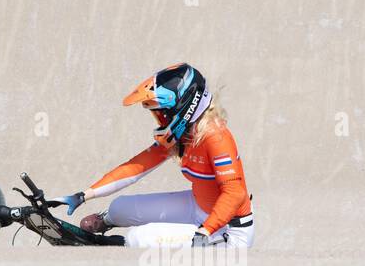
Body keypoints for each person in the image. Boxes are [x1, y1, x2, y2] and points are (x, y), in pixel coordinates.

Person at [59, 63, 255, 247]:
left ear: (183, 108)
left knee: (139, 237)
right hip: (198, 206)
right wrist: (84, 195)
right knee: (119, 207)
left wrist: (206, 230)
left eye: (163, 114)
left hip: (229, 230)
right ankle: (105, 221)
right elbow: (136, 167)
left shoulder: (216, 137)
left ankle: (112, 246)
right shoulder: (183, 134)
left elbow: (235, 193)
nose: (161, 120)